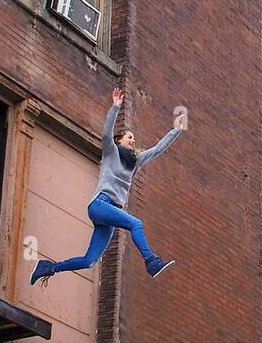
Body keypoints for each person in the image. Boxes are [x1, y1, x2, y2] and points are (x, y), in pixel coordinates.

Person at [30, 86, 183, 286]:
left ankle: (48, 267)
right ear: (119, 141)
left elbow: (157, 150)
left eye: (133, 138)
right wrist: (115, 108)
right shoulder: (111, 152)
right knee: (135, 224)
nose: (133, 140)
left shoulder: (134, 162)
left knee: (90, 261)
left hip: (110, 214)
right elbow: (105, 134)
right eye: (129, 137)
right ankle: (151, 261)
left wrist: (176, 130)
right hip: (100, 205)